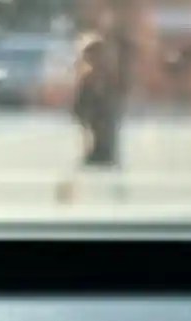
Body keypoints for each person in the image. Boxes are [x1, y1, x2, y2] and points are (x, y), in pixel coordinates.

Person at [57, 33, 125, 203]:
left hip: (103, 132)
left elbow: (114, 105)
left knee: (106, 167)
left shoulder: (107, 79)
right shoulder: (89, 80)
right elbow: (78, 107)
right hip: (94, 132)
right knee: (86, 166)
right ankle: (66, 197)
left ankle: (118, 200)